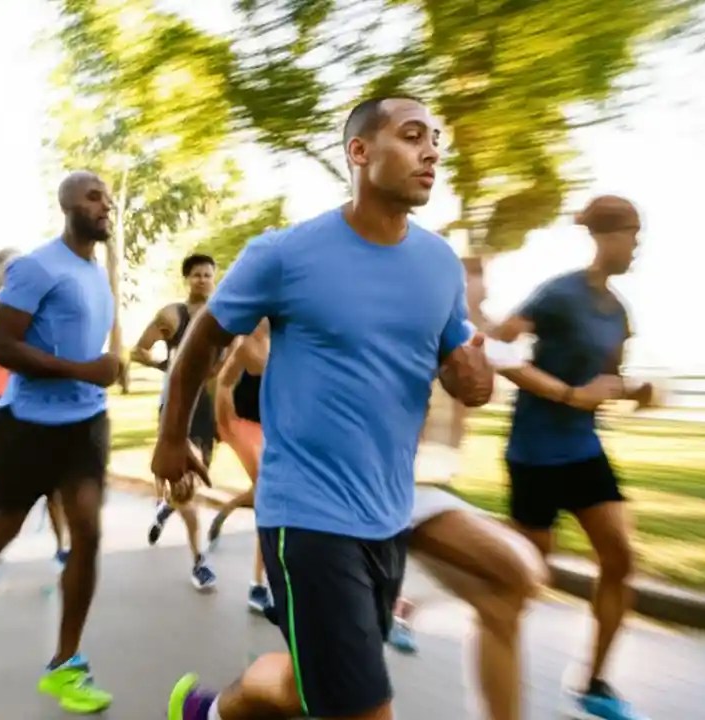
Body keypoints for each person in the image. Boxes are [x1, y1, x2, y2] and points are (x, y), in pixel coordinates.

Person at [158, 96, 494, 720]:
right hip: (306, 517)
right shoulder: (286, 254)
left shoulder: (438, 263)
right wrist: (172, 436)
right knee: (362, 707)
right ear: (359, 153)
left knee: (312, 686)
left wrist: (476, 380)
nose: (432, 151)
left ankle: (209, 712)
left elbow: (460, 366)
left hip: (387, 516)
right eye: (412, 136)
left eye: (436, 140)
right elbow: (202, 339)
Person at [0, 171, 121, 715]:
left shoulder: (97, 273)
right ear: (67, 203)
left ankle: (66, 663)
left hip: (85, 424)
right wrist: (82, 370)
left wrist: (99, 373)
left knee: (87, 531)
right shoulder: (36, 266)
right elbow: (2, 346)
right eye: (95, 195)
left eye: (108, 197)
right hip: (28, 426)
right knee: (7, 524)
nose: (106, 204)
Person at [487, 195, 653, 720]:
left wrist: (632, 389)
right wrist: (563, 393)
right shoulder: (558, 293)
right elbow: (497, 349)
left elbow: (600, 383)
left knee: (620, 560)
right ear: (605, 237)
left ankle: (595, 684)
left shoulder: (619, 312)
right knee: (523, 574)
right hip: (535, 451)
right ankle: (420, 597)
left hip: (583, 450)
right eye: (631, 233)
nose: (636, 245)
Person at [0, 247, 69, 564]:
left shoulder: (41, 308)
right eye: (8, 269)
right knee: (5, 470)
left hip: (38, 396)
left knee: (52, 473)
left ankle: (62, 545)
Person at [133, 253, 220, 591]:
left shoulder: (223, 315)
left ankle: (165, 508)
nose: (202, 279)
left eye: (207, 274)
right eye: (196, 274)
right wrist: (164, 368)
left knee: (195, 481)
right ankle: (199, 560)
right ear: (187, 279)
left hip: (209, 409)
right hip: (178, 405)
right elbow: (139, 349)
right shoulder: (173, 315)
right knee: (185, 485)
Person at [208, 319, 271, 614]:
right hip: (242, 426)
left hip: (270, 427)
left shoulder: (288, 339)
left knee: (264, 492)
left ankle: (226, 510)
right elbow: (224, 380)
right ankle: (257, 585)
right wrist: (225, 422)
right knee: (265, 494)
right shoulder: (243, 344)